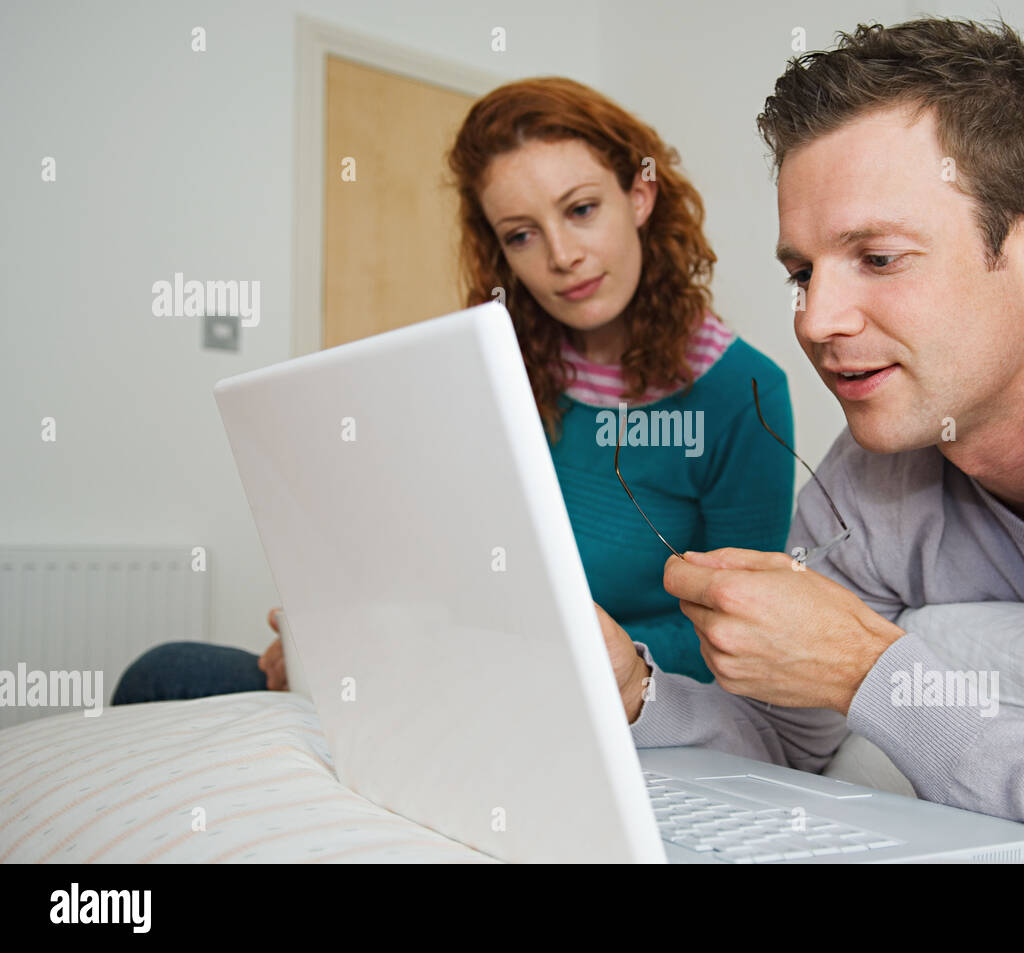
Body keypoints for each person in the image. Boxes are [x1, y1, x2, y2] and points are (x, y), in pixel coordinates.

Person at [595, 17, 1024, 863]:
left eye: (881, 257)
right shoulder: (875, 475)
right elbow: (789, 744)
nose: (817, 320)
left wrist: (872, 671)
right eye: (802, 272)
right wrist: (634, 689)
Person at [112, 77, 795, 705]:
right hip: (448, 675)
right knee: (164, 673)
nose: (560, 255)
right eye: (522, 235)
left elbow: (742, 637)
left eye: (582, 209)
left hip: (599, 708)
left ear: (639, 197)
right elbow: (432, 559)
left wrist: (606, 656)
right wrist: (334, 630)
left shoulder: (743, 393)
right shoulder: (490, 365)